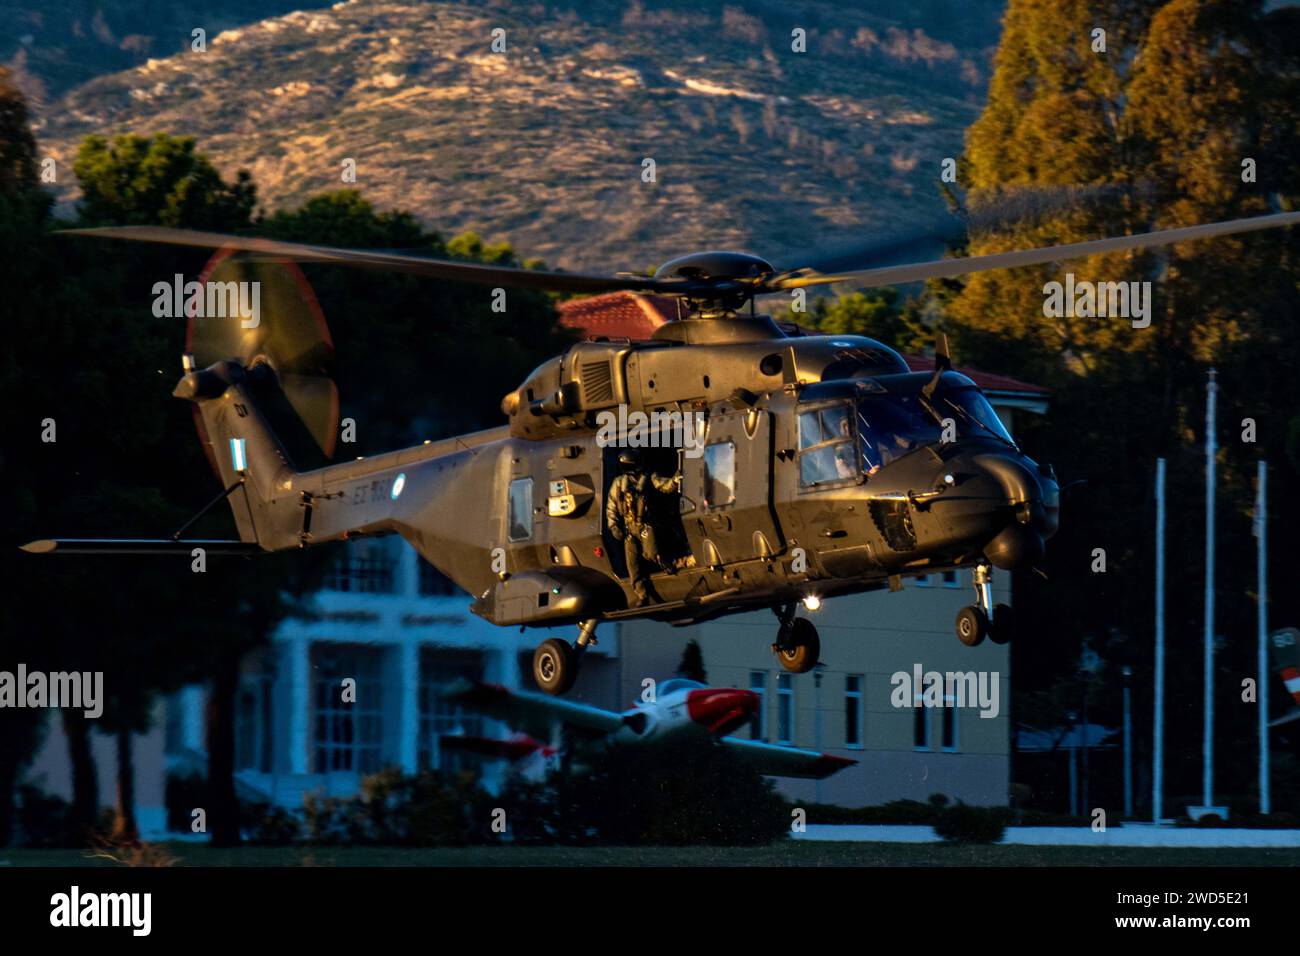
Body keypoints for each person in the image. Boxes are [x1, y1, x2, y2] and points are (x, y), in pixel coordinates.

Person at [606, 450, 682, 607]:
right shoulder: (618, 484)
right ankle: (642, 595)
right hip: (629, 530)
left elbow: (664, 485)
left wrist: (675, 481)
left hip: (646, 525)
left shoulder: (649, 478)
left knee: (652, 554)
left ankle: (672, 563)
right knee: (633, 566)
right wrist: (613, 526)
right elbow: (611, 507)